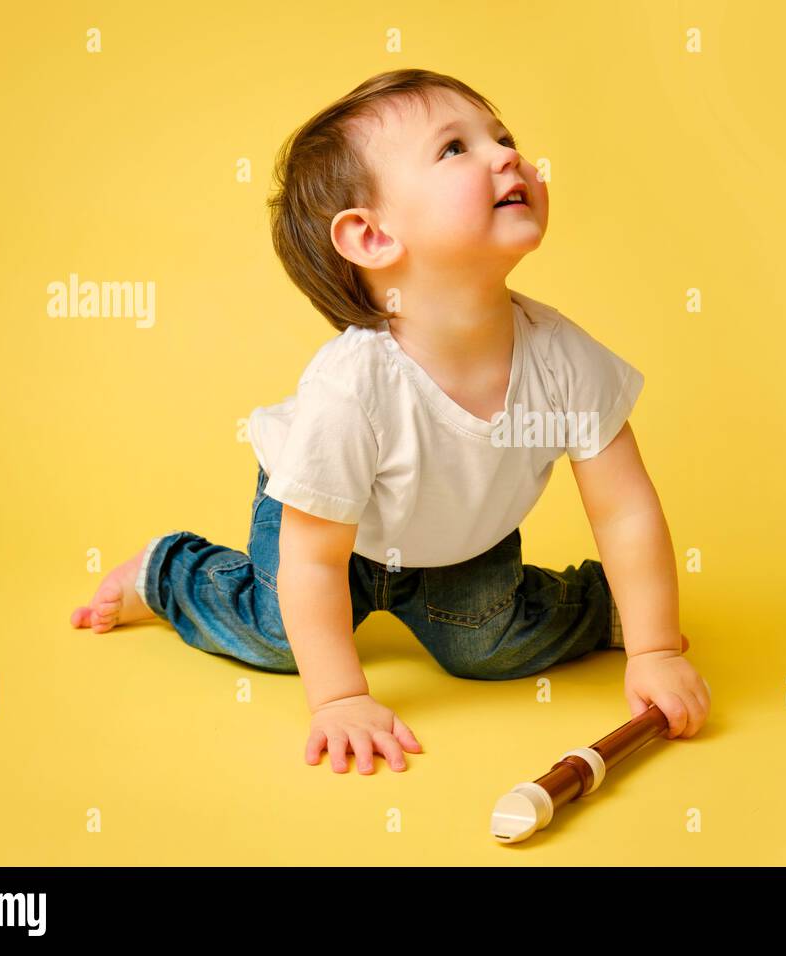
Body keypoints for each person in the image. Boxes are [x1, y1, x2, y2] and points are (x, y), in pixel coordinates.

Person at [70, 68, 710, 774]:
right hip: (327, 531)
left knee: (492, 645)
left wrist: (653, 647)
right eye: (454, 149)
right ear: (372, 238)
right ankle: (167, 573)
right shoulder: (352, 389)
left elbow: (624, 510)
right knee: (283, 634)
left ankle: (609, 605)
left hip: (460, 541)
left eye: (503, 137)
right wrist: (339, 699)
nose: (506, 156)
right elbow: (312, 559)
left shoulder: (563, 357)